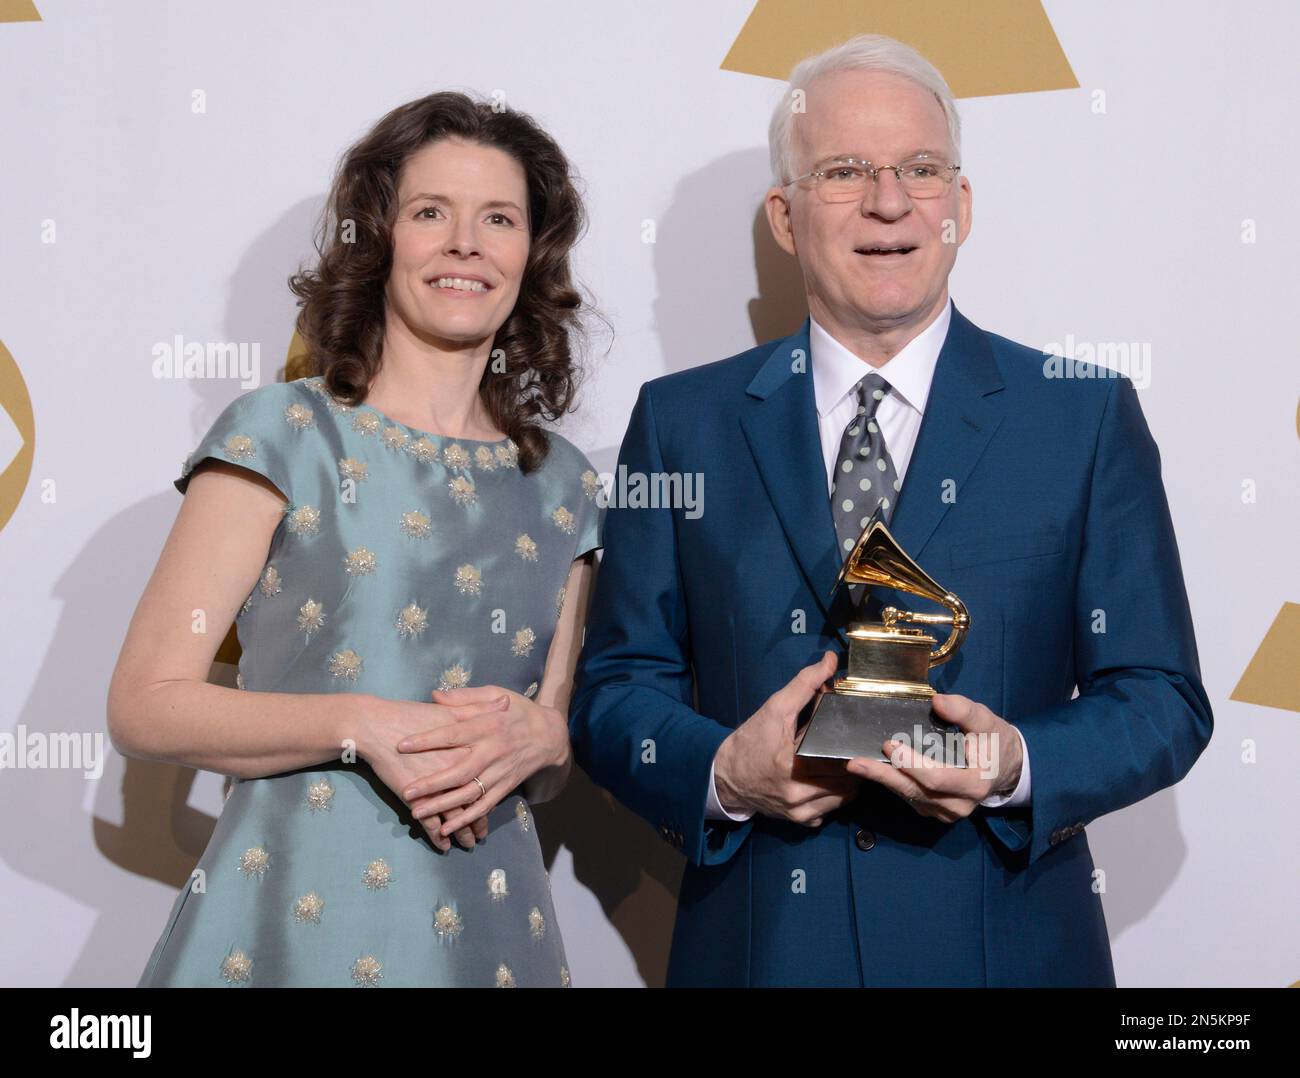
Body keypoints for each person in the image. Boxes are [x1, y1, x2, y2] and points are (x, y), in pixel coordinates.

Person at [569, 34, 1212, 987]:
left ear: (960, 205)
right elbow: (616, 692)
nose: (889, 200)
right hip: (763, 956)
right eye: (845, 171)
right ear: (785, 219)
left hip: (1007, 954)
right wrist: (724, 772)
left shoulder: (1083, 414)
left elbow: (1162, 699)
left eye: (921, 168)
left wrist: (1014, 762)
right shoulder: (679, 425)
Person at [109, 91, 602, 988]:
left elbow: (550, 735)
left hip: (492, 928)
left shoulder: (567, 486)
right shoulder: (281, 435)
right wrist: (360, 724)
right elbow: (145, 704)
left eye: (498, 218)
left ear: (531, 253)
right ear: (376, 239)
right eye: (429, 213)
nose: (465, 243)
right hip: (286, 927)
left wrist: (550, 744)